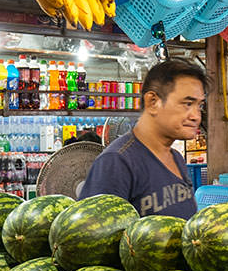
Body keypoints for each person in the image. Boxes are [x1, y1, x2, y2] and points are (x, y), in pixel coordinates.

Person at [80, 59, 203, 217]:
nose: (196, 116)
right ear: (153, 102)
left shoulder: (177, 159)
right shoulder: (117, 162)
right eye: (187, 103)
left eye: (199, 106)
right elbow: (91, 234)